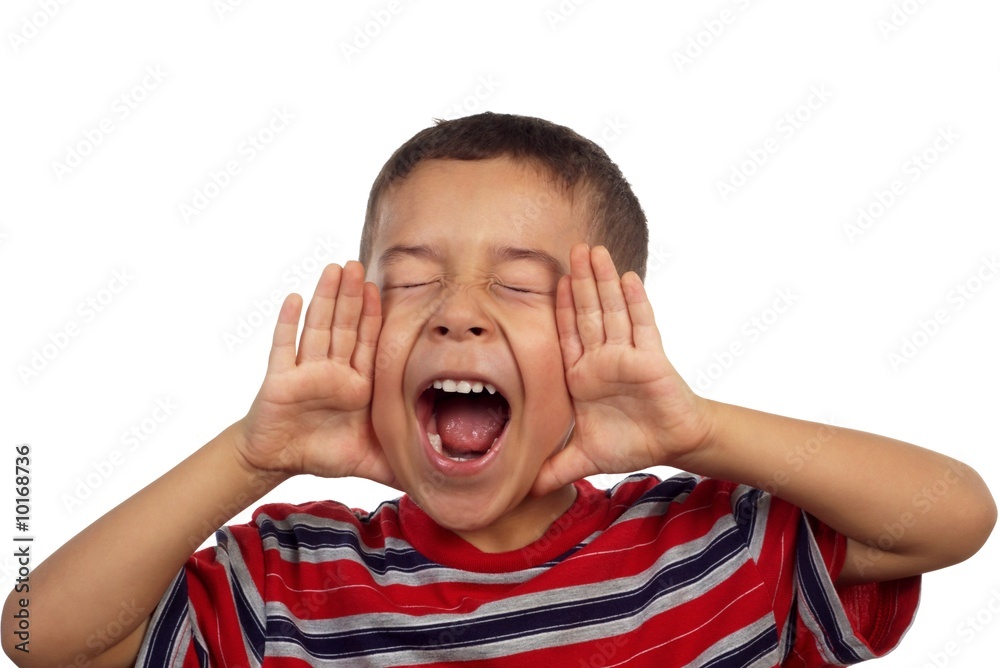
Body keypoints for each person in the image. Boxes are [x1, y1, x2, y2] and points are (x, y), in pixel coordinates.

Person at [4, 112, 995, 667]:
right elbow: (34, 634)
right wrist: (252, 454)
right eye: (413, 279)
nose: (458, 311)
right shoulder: (286, 580)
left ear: (609, 323)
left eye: (519, 284)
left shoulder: (715, 546)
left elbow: (949, 516)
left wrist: (695, 432)